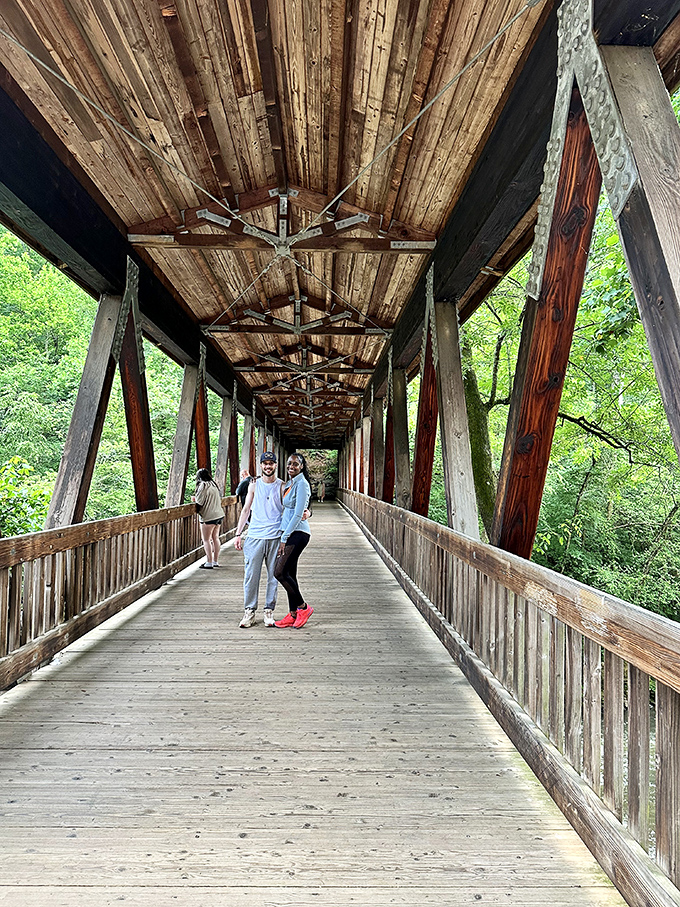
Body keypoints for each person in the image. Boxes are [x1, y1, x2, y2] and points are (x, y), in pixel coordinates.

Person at [234, 451, 283, 628]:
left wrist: (307, 514)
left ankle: (269, 611)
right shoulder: (254, 485)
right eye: (265, 463)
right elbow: (246, 509)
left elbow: (290, 510)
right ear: (261, 465)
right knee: (251, 575)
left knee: (273, 576)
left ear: (276, 465)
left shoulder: (282, 486)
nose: (268, 466)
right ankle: (249, 612)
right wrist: (238, 534)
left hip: (275, 536)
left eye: (271, 463)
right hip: (254, 536)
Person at [275, 452, 313, 628]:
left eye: (295, 464)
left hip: (297, 534)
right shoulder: (290, 483)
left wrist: (284, 537)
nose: (291, 467)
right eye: (289, 463)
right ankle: (292, 614)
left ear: (302, 466)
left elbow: (299, 514)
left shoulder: (302, 484)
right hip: (289, 532)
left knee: (279, 572)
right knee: (290, 574)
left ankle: (303, 607)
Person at [192, 468, 224, 569]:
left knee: (206, 540)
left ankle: (209, 562)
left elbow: (200, 502)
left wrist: (194, 498)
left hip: (208, 516)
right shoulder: (213, 485)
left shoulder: (203, 485)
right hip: (218, 515)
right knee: (215, 538)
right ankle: (215, 561)